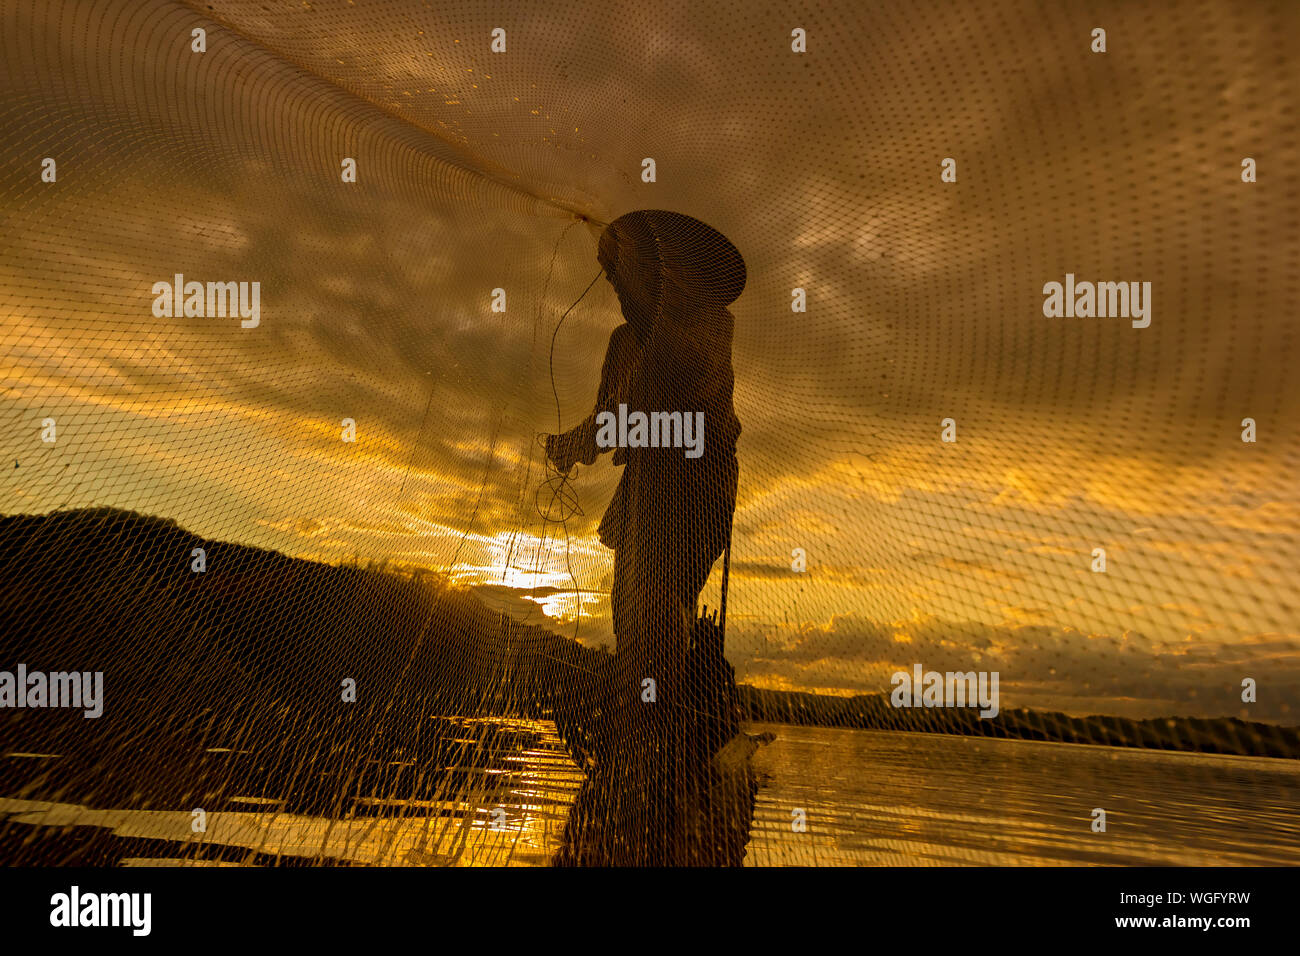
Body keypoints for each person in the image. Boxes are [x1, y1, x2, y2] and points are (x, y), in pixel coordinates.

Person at [545, 210, 746, 864]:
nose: (616, 283)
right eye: (611, 272)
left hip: (696, 483)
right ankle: (648, 729)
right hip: (648, 486)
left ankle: (655, 735)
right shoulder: (624, 341)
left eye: (625, 268)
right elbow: (615, 421)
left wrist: (590, 438)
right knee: (632, 608)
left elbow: (650, 408)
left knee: (659, 601)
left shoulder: (705, 327)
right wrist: (581, 440)